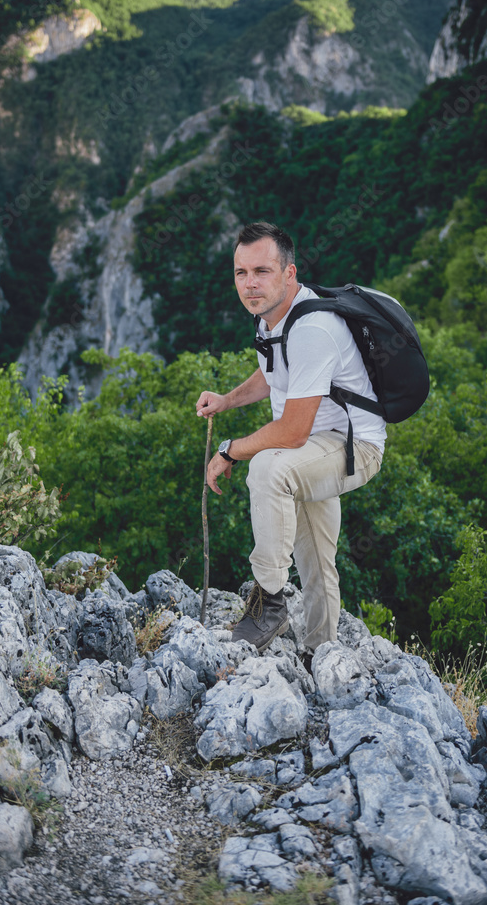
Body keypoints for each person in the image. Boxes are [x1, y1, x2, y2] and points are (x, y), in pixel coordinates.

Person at [195, 221, 386, 667]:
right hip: (316, 444)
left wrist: (229, 450)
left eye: (261, 270)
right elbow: (272, 372)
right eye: (241, 273)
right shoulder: (273, 318)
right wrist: (227, 401)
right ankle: (321, 653)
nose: (250, 283)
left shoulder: (312, 328)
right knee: (316, 556)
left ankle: (269, 604)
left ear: (289, 274)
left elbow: (293, 432)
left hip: (351, 445)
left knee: (267, 469)